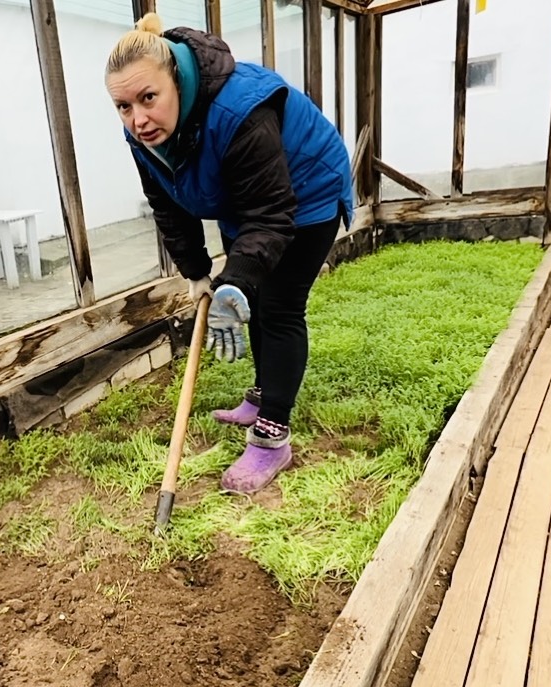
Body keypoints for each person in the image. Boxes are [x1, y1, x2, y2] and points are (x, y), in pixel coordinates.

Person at [104, 13, 354, 494]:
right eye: (122, 106)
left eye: (148, 98)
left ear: (175, 80)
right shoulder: (143, 134)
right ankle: (264, 395)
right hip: (247, 200)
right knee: (255, 301)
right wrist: (198, 272)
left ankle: (272, 437)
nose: (137, 119)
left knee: (277, 305)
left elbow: (272, 214)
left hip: (306, 194)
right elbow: (166, 202)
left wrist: (236, 278)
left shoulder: (240, 112)